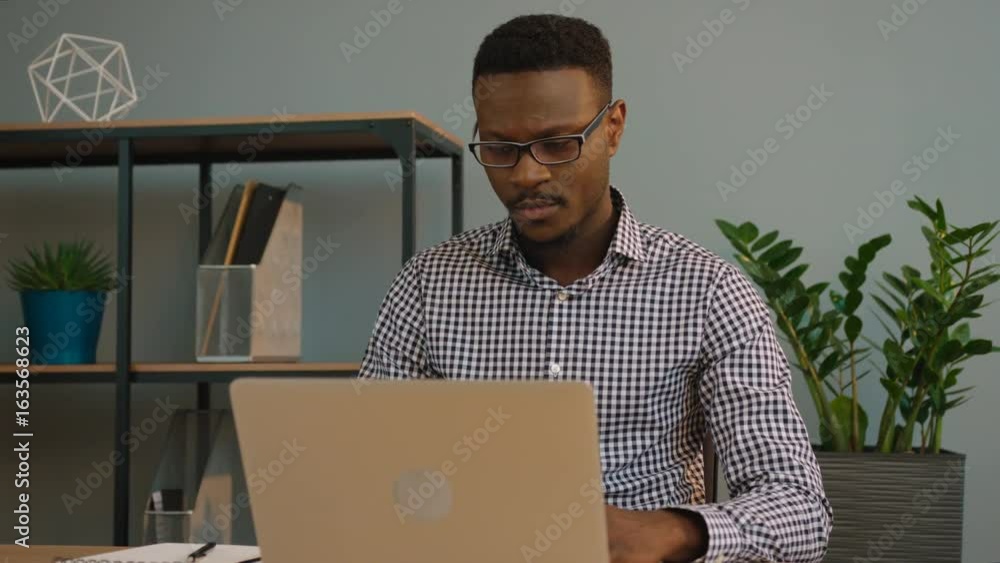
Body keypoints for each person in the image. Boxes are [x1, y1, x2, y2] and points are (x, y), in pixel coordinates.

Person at [357, 13, 833, 563]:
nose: (526, 175)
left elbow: (800, 509)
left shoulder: (708, 292)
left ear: (613, 128)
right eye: (500, 148)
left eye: (557, 144)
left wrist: (669, 533)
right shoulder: (427, 285)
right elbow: (366, 471)